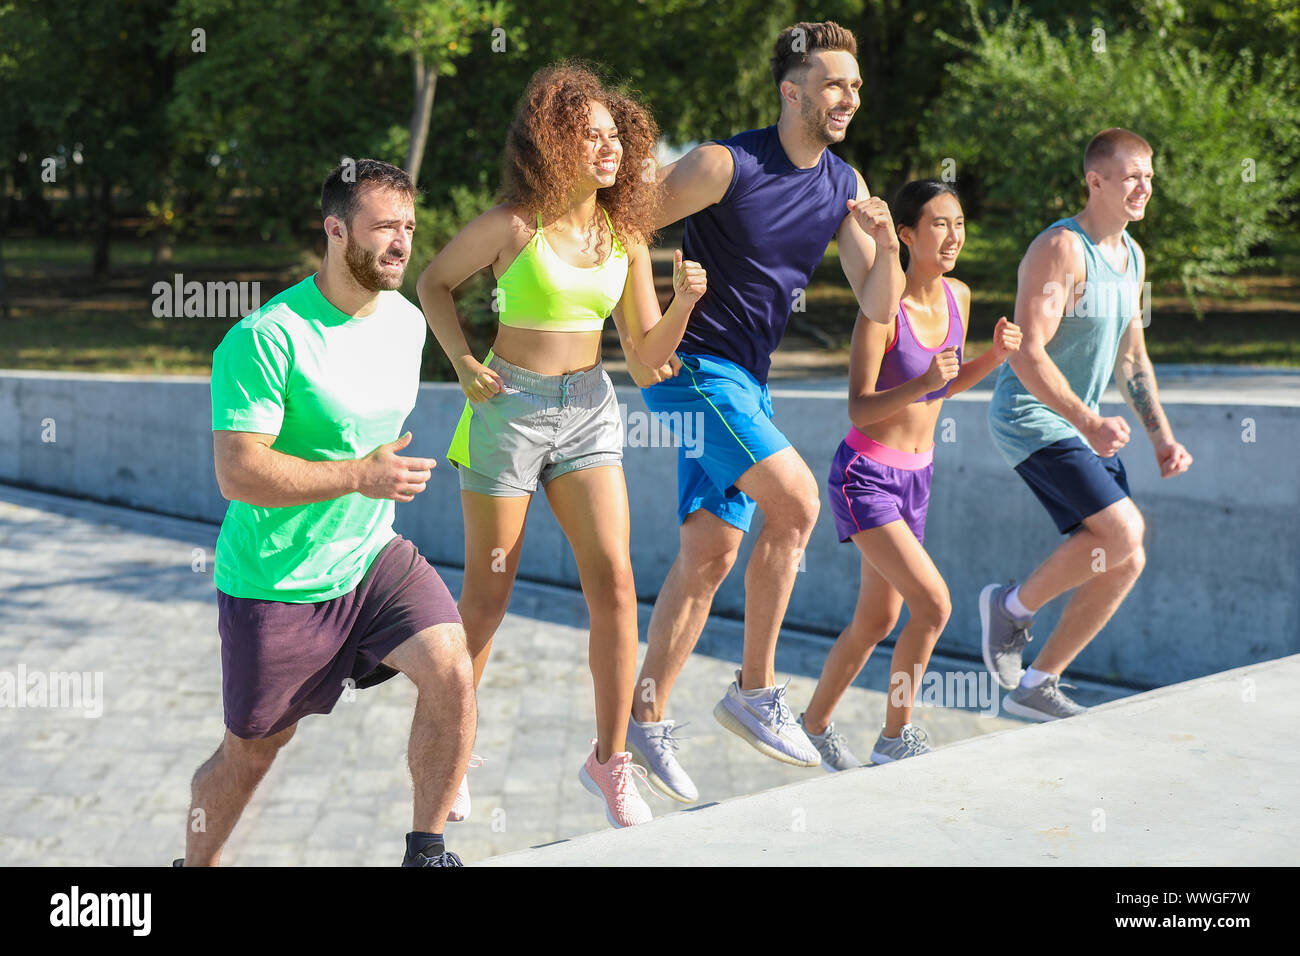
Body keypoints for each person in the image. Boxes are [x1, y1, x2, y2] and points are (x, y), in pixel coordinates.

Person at [417, 64, 707, 828]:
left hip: (589, 410)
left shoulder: (627, 238)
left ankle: (610, 761)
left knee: (614, 582)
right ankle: (452, 748)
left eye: (615, 136)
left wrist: (684, 304)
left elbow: (645, 359)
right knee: (488, 594)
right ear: (554, 143)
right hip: (507, 410)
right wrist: (463, 360)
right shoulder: (514, 224)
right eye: (590, 136)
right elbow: (433, 284)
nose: (608, 149)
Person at [624, 21, 905, 803]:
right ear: (793, 91)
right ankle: (755, 690)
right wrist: (645, 342)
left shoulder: (845, 186)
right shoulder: (725, 162)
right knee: (800, 500)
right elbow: (620, 225)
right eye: (834, 84)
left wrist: (886, 246)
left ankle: (639, 726)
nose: (849, 96)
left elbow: (879, 305)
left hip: (745, 383)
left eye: (855, 85)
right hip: (695, 375)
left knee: (709, 555)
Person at [182, 159, 475, 868]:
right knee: (252, 752)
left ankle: (426, 850)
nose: (401, 242)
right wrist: (358, 475)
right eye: (383, 228)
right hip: (276, 581)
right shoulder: (265, 336)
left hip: (372, 557)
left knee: (451, 669)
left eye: (409, 226)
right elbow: (237, 472)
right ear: (336, 230)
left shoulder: (407, 324)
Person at [797, 180, 1020, 769]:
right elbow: (860, 406)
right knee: (934, 605)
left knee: (878, 619)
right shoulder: (882, 307)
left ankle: (813, 725)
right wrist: (921, 383)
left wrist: (992, 359)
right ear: (907, 235)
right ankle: (896, 734)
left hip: (917, 480)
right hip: (864, 475)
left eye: (961, 223)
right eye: (940, 224)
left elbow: (946, 382)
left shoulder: (959, 298)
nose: (954, 237)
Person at [981, 128, 1193, 720]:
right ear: (1095, 181)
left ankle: (1037, 683)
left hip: (1080, 425)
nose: (1144, 187)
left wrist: (1163, 438)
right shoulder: (1062, 249)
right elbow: (1026, 351)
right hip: (1031, 415)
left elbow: (1131, 359)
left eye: (1149, 176)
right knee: (1123, 532)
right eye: (1131, 176)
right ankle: (1010, 609)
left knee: (1127, 557)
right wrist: (1088, 418)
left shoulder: (1132, 257)